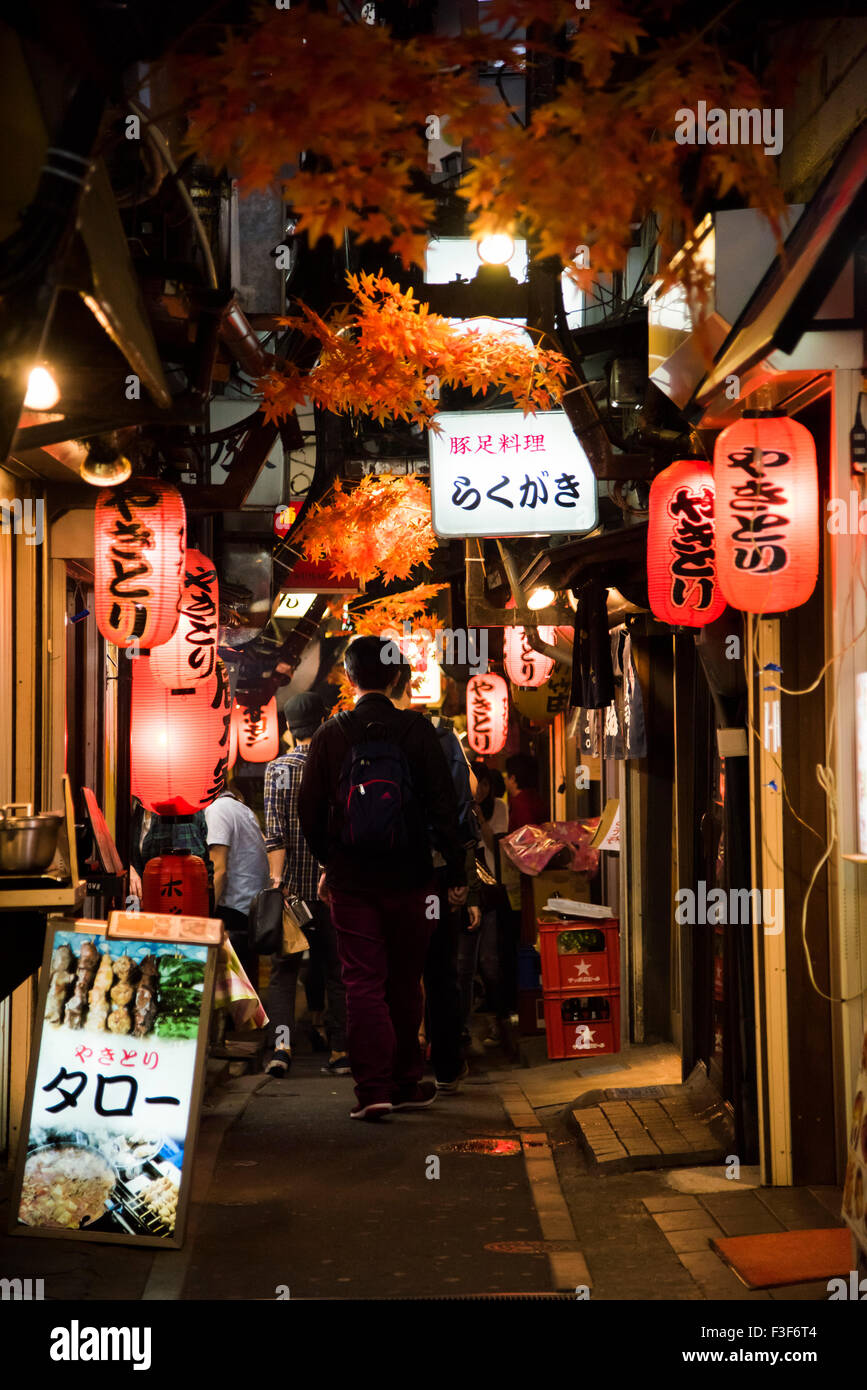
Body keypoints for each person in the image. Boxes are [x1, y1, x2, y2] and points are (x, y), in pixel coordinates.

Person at [298, 635, 466, 1121]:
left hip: (353, 880)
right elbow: (443, 807)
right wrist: (454, 872)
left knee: (362, 982)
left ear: (349, 678)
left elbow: (308, 810)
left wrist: (332, 861)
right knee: (405, 981)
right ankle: (407, 1080)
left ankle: (373, 1089)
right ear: (396, 677)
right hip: (413, 877)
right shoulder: (417, 731)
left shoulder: (332, 734)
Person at [390, 670, 479, 1092]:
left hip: (376, 874)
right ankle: (446, 1065)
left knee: (390, 971)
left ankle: (395, 1070)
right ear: (405, 683)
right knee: (440, 968)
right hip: (433, 870)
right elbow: (459, 807)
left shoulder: (348, 734)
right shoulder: (440, 737)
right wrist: (460, 873)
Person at [263, 692, 348, 1078]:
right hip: (333, 889)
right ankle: (340, 1049)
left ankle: (281, 1047)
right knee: (337, 970)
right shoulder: (337, 765)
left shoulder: (277, 770)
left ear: (289, 729)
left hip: (292, 891)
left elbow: (275, 836)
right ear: (324, 721)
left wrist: (278, 885)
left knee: (284, 972)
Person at [457, 764, 508, 1044]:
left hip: (490, 892)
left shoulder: (498, 808)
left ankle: (500, 1020)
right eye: (477, 784)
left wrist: (479, 817)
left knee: (489, 960)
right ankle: (465, 1025)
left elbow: (494, 843)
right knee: (463, 964)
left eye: (485, 784)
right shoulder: (456, 808)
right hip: (465, 892)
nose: (481, 790)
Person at [204, 783, 270, 983]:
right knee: (245, 991)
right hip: (249, 910)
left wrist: (205, 916)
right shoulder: (244, 809)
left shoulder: (218, 810)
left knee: (229, 991)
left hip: (232, 911)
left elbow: (219, 869)